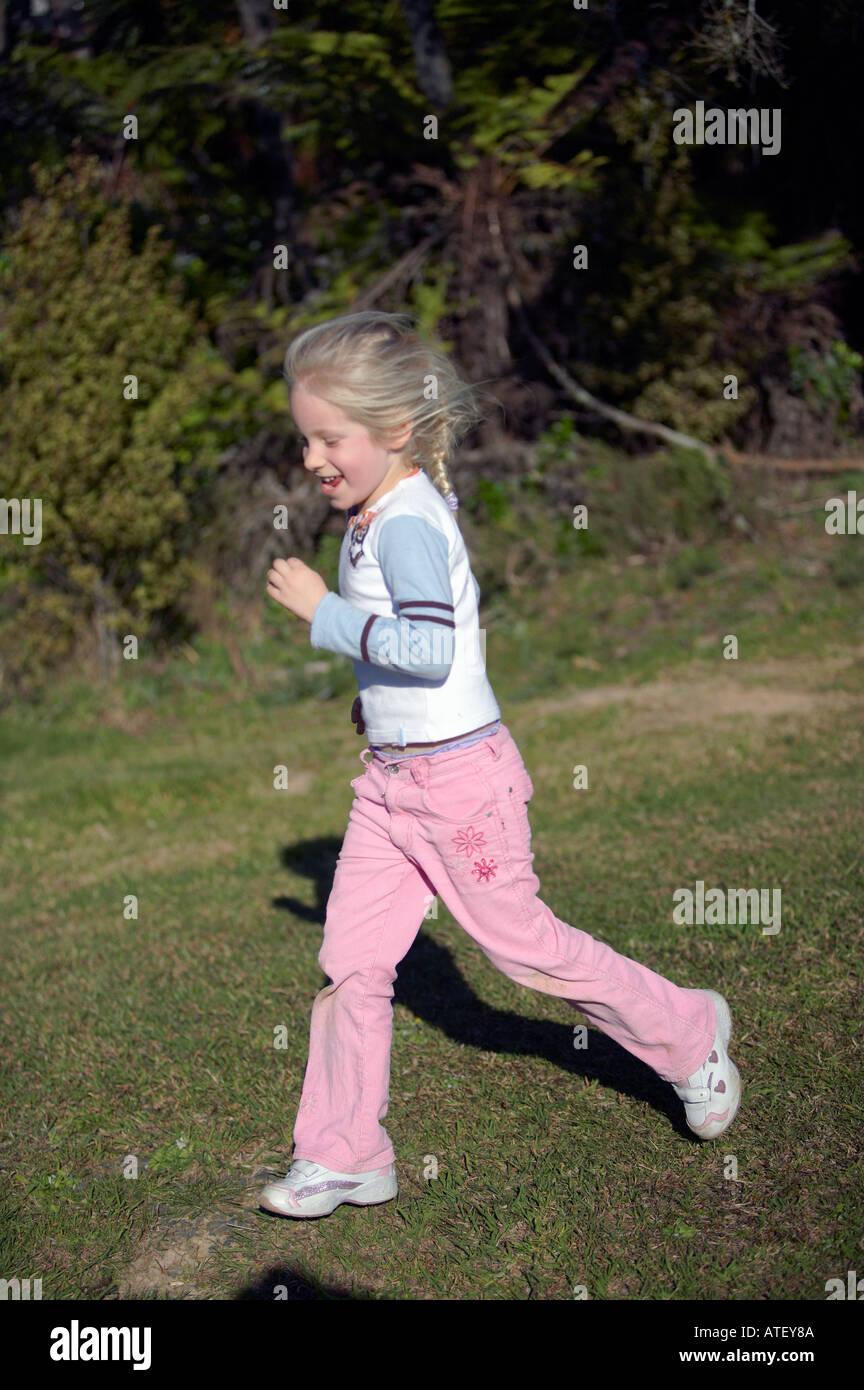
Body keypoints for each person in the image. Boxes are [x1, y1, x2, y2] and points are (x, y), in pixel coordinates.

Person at [259, 310, 741, 1219]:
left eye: (331, 437)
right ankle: (345, 1152)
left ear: (394, 431)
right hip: (392, 786)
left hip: (459, 787)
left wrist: (324, 615)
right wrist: (376, 700)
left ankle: (688, 1030)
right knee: (352, 962)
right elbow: (412, 654)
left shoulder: (402, 521)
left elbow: (431, 649)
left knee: (525, 949)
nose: (315, 456)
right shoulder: (371, 514)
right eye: (305, 438)